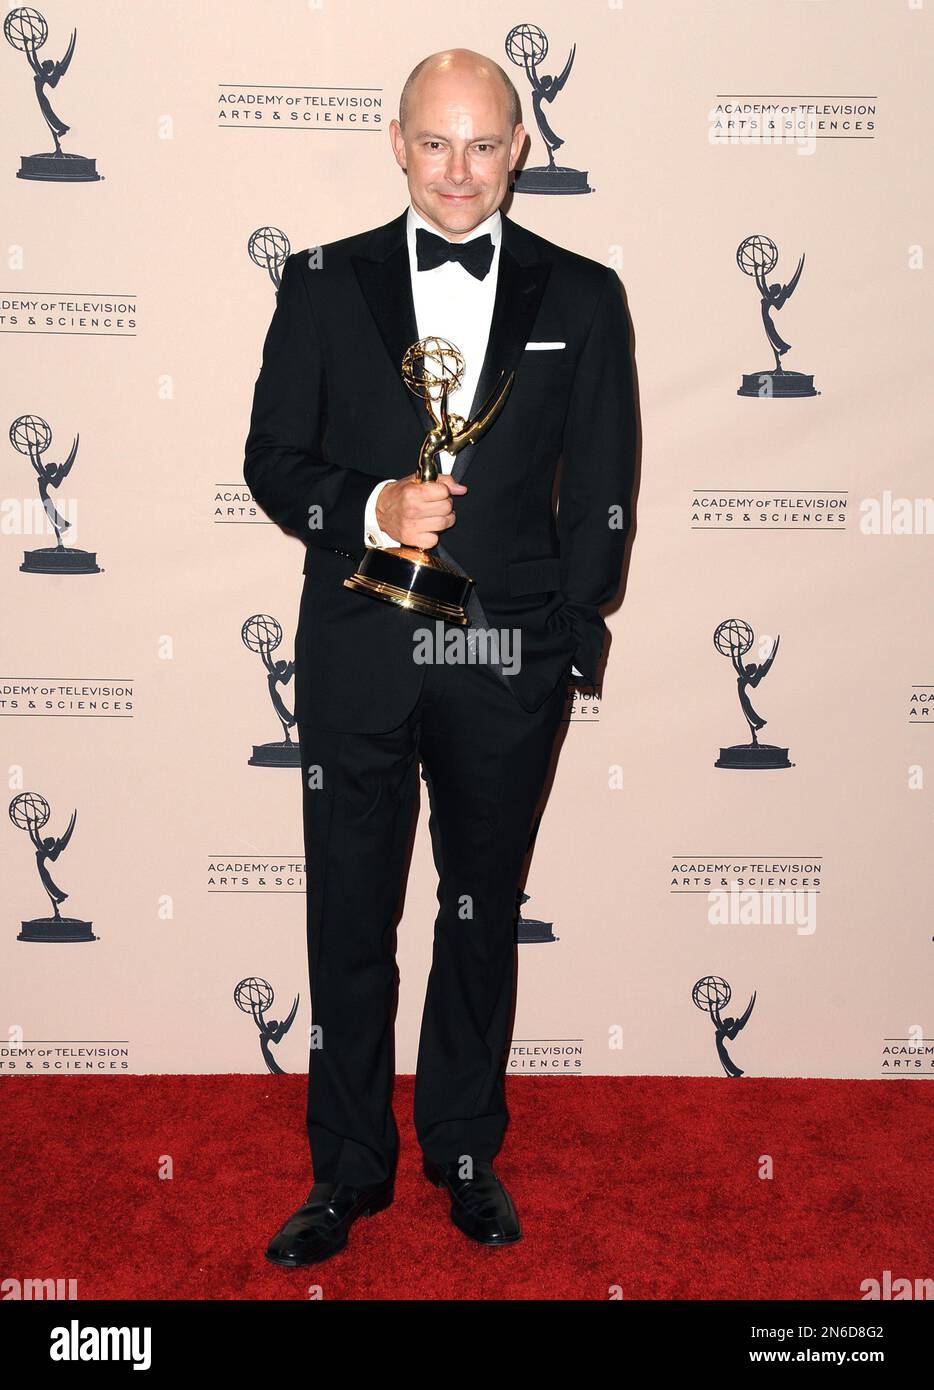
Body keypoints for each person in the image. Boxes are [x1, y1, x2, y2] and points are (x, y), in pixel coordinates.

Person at [243, 47, 637, 1266]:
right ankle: (346, 1171)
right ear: (396, 142)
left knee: (479, 916)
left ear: (520, 145)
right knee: (349, 921)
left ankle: (465, 1150)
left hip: (505, 662)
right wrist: (370, 506)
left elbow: (606, 487)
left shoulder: (583, 293)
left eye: (482, 142)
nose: (457, 169)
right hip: (359, 648)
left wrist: (563, 644)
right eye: (434, 141)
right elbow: (273, 462)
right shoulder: (319, 284)